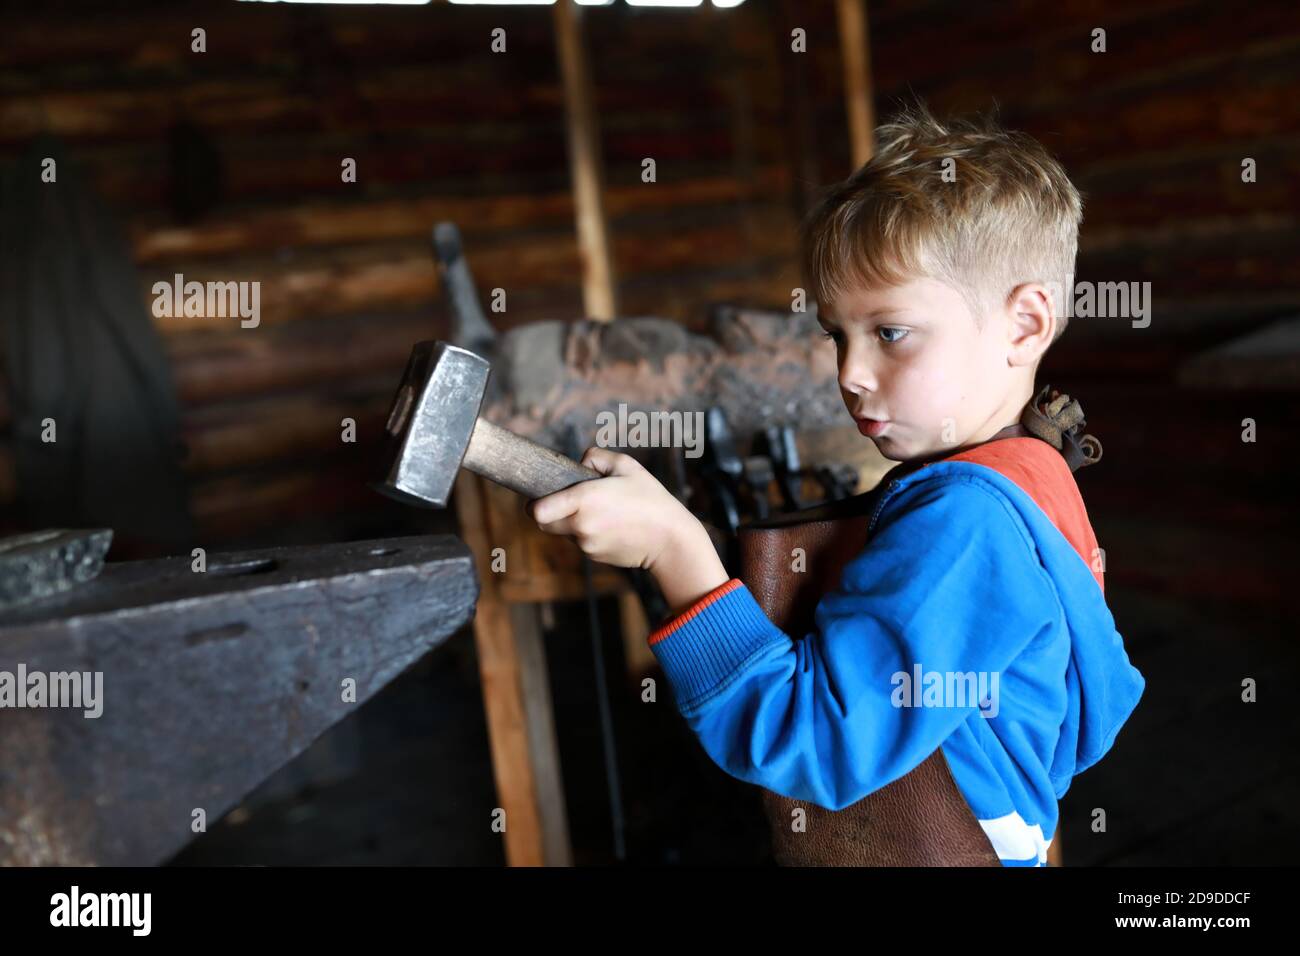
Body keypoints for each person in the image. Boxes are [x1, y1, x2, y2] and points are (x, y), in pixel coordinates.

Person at [525, 103, 1145, 867]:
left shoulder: (965, 522)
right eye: (835, 334)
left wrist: (674, 552)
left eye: (889, 333)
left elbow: (816, 745)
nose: (849, 375)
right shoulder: (1031, 468)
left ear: (1024, 325)